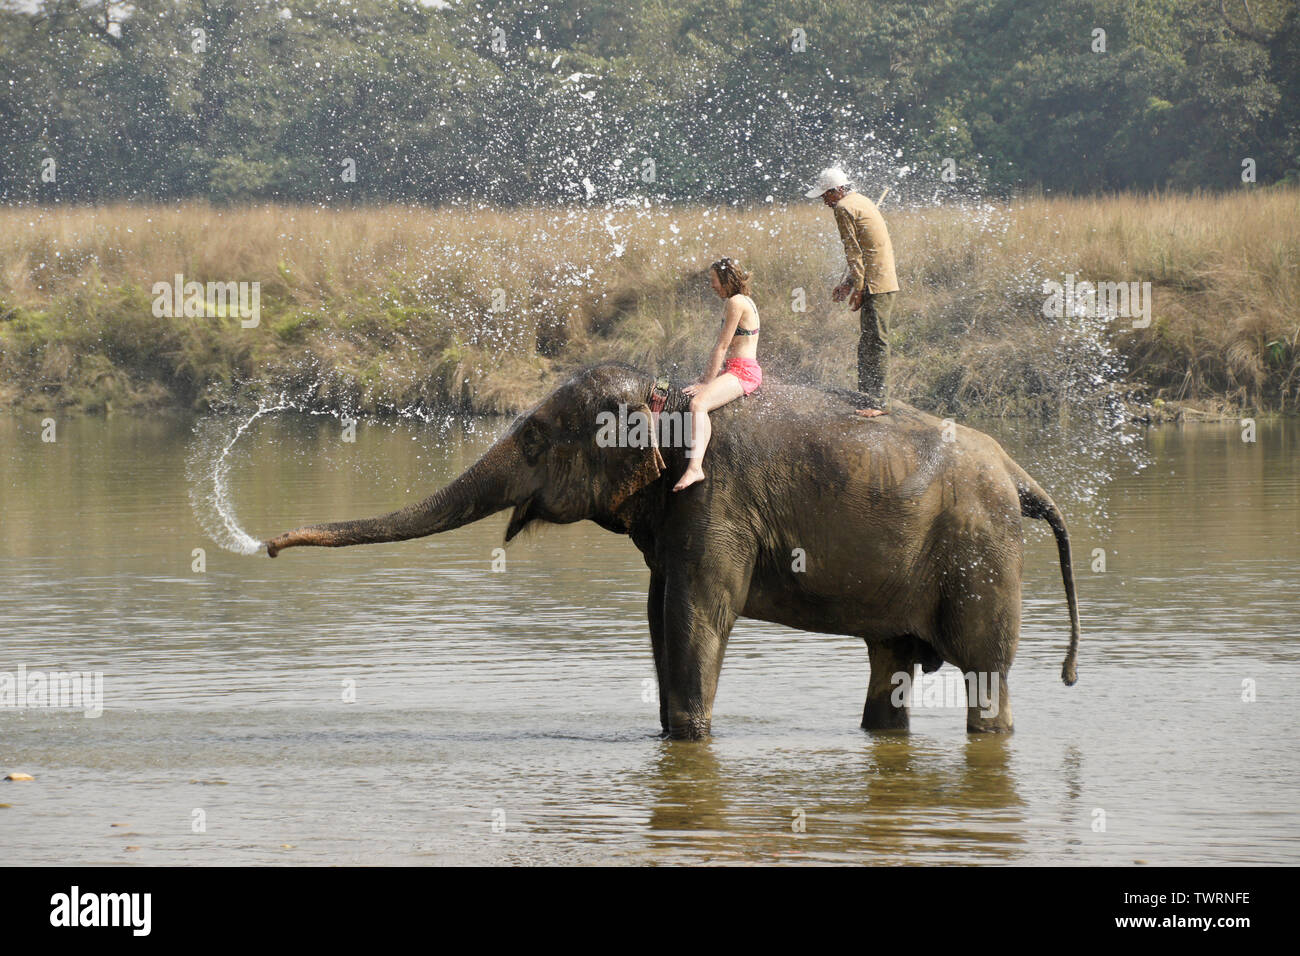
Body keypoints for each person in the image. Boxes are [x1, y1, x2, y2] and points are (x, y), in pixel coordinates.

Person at [805, 166, 899, 417]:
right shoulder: (861, 201)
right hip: (877, 279)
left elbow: (854, 252)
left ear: (837, 191)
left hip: (876, 283)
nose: (824, 201)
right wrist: (849, 284)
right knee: (867, 341)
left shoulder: (843, 208)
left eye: (825, 195)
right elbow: (865, 249)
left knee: (876, 341)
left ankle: (879, 403)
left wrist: (857, 288)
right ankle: (867, 396)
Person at [672, 257, 762, 492]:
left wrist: (705, 382)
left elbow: (722, 346)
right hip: (736, 368)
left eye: (713, 280)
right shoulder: (744, 300)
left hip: (743, 372)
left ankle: (695, 468)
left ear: (726, 280)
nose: (711, 285)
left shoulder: (736, 302)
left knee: (698, 404)